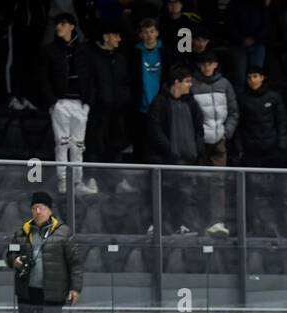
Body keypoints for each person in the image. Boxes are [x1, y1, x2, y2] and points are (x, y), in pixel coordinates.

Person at [6, 191, 82, 313]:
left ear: (49, 210)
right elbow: (10, 253)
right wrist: (14, 260)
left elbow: (75, 263)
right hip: (27, 291)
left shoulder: (63, 233)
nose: (38, 211)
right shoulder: (22, 232)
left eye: (41, 207)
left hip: (53, 290)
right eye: (34, 208)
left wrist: (75, 288)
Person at [40, 12, 98, 195]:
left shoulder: (84, 49)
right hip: (61, 102)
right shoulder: (49, 50)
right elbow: (43, 79)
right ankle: (63, 181)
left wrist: (88, 102)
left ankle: (77, 181)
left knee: (78, 145)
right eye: (58, 23)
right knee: (62, 143)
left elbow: (91, 76)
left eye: (63, 23)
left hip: (80, 103)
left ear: (72, 26)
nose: (59, 27)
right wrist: (53, 102)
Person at [147, 66, 207, 235]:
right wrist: (169, 150)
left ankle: (181, 225)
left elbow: (199, 129)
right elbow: (154, 129)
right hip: (166, 159)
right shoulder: (159, 102)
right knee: (164, 194)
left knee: (185, 196)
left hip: (188, 160)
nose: (190, 85)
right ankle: (159, 225)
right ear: (176, 82)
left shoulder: (192, 104)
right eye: (187, 81)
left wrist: (198, 149)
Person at [191, 49, 238, 237]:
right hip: (200, 142)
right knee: (198, 181)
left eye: (210, 63)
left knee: (218, 182)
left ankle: (218, 221)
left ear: (216, 65)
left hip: (219, 140)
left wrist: (226, 132)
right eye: (204, 64)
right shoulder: (193, 84)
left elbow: (234, 111)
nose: (207, 67)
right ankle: (199, 220)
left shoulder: (225, 84)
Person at [85, 23, 132, 167]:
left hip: (116, 114)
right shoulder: (91, 57)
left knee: (116, 147)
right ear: (106, 37)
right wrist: (96, 101)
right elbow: (88, 83)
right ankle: (92, 180)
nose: (119, 39)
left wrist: (122, 100)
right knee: (94, 147)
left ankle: (116, 183)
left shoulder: (121, 59)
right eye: (116, 35)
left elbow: (126, 83)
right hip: (97, 113)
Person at [131, 18, 165, 160]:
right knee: (141, 144)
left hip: (161, 107)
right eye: (145, 32)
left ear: (157, 33)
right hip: (141, 107)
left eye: (152, 31)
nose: (149, 35)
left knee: (160, 144)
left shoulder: (166, 52)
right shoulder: (133, 53)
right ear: (140, 35)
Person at [227, 0, 269, 91]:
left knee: (256, 75)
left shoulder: (260, 4)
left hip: (257, 44)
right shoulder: (233, 4)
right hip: (237, 44)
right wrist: (241, 39)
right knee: (239, 76)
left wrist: (255, 38)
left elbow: (266, 24)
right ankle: (240, 102)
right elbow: (229, 25)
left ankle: (256, 101)